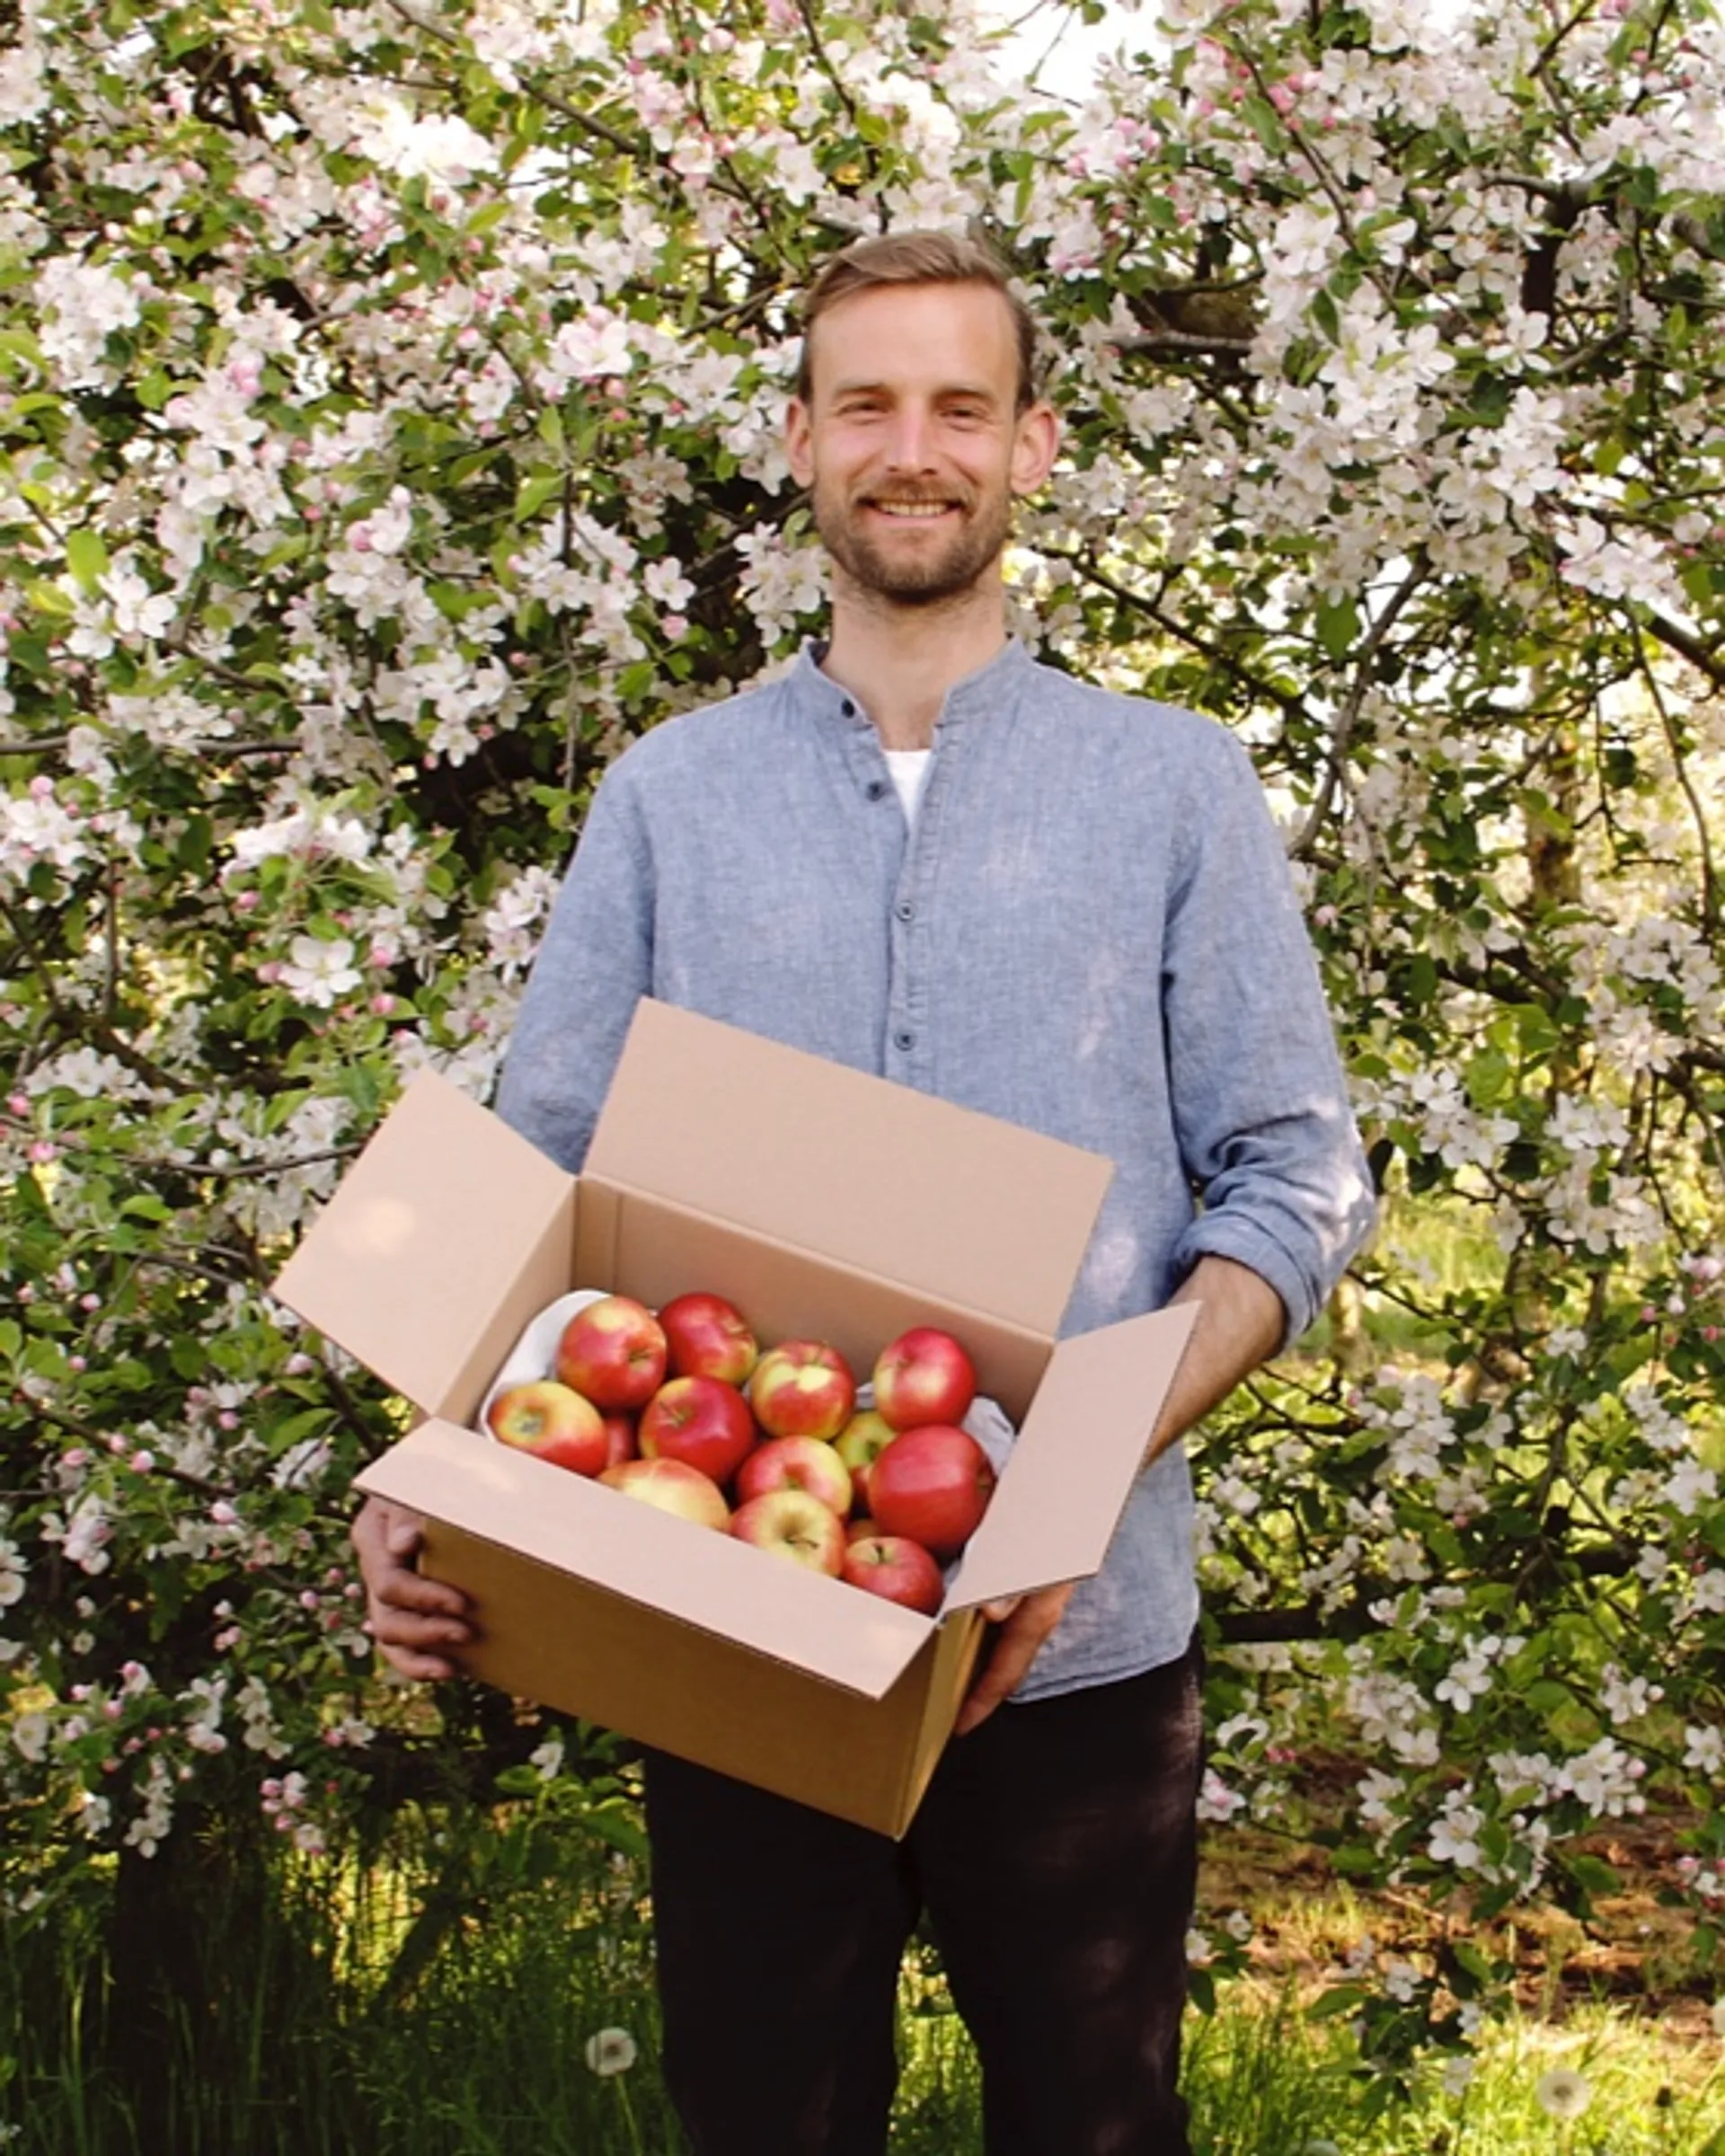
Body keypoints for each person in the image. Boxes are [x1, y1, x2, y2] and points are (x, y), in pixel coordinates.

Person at [353, 230, 1376, 2155]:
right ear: (802, 441)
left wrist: (1078, 1463)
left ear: (1036, 446)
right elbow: (538, 1192)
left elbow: (1293, 1174)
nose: (917, 450)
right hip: (731, 1621)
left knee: (1092, 2124)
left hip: (1074, 1648)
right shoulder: (672, 796)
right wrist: (423, 1473)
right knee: (763, 2119)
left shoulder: (1174, 789)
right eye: (871, 406)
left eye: (962, 407)